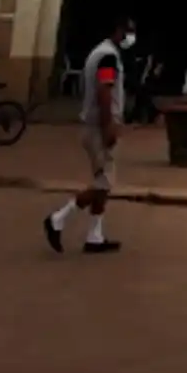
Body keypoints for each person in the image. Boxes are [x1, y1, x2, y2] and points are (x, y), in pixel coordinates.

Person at [43, 17, 135, 255]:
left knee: (102, 183)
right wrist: (109, 127)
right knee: (103, 182)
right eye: (128, 31)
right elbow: (104, 91)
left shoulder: (99, 53)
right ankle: (59, 218)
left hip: (94, 125)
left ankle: (95, 236)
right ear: (117, 30)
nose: (130, 37)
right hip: (99, 127)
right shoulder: (107, 57)